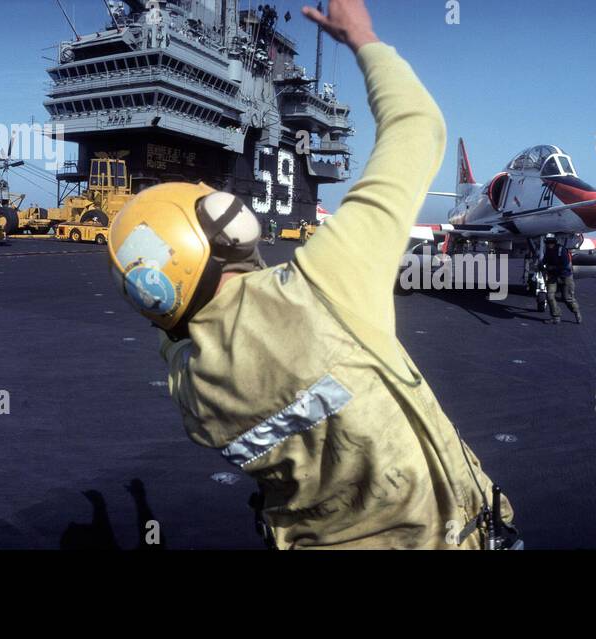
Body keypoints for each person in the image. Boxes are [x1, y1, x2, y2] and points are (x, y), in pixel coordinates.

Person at [105, 0, 513, 549]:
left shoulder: (192, 387)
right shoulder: (322, 287)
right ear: (232, 232)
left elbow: (171, 320)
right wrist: (362, 36)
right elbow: (419, 127)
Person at [541, 234, 581, 324]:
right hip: (553, 276)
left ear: (554, 242)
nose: (549, 244)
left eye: (551, 242)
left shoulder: (561, 250)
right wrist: (541, 264)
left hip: (565, 276)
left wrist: (553, 268)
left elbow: (565, 264)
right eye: (547, 243)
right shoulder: (548, 250)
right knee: (550, 296)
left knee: (567, 298)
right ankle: (556, 317)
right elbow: (545, 259)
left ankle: (576, 312)